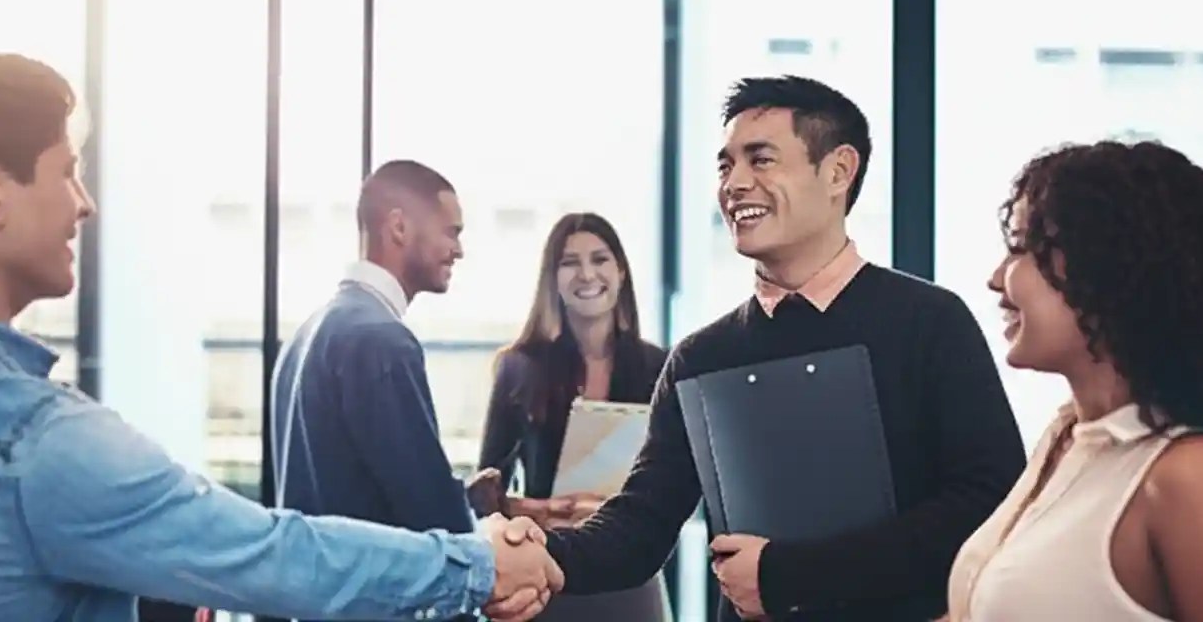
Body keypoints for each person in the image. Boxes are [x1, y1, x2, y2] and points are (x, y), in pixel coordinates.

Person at [0, 51, 561, 622]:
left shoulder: (312, 332)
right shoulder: (39, 439)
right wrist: (481, 562)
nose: (84, 203)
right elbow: (273, 550)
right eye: (66, 172)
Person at [534, 75, 1027, 621]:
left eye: (761, 160)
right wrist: (537, 556)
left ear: (838, 171)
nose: (735, 184)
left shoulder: (930, 322)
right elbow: (640, 528)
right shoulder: (701, 357)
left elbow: (988, 502)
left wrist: (787, 574)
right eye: (726, 166)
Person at [944, 141, 1203, 622]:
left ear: (1112, 268)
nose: (997, 279)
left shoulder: (1197, 474)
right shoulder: (1066, 439)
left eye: (1023, 249)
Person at [271, 160, 480, 616]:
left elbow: (348, 482)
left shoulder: (308, 333)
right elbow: (428, 510)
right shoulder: (381, 339)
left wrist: (468, 498)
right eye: (451, 232)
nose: (459, 250)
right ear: (399, 226)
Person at [475, 212, 670, 621]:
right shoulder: (520, 366)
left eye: (599, 259)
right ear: (553, 279)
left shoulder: (659, 367)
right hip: (545, 567)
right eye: (569, 262)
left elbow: (676, 485)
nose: (587, 274)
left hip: (629, 574)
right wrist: (547, 510)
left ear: (620, 271)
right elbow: (487, 491)